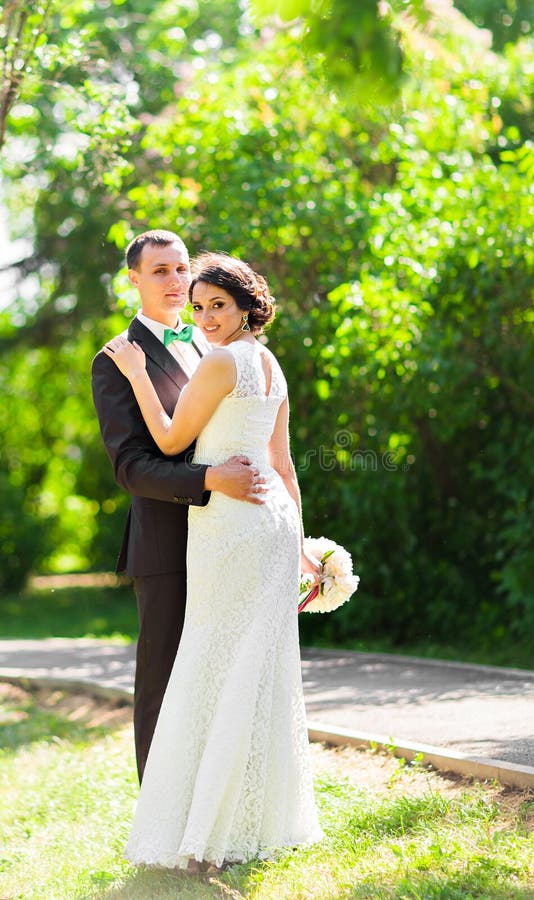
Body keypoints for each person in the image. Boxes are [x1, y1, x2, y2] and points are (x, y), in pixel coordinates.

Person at [102, 251, 323, 870]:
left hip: (230, 527)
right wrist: (301, 541)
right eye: (198, 307)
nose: (204, 317)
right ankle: (252, 816)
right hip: (272, 523)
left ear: (247, 304)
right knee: (257, 667)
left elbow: (171, 442)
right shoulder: (271, 362)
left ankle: (202, 831)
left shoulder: (221, 358)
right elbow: (283, 463)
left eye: (216, 305)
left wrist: (140, 375)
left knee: (212, 665)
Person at [91, 231, 265, 783]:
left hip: (226, 534)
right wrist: (209, 478)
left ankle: (213, 802)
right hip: (166, 544)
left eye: (181, 269)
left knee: (217, 674)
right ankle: (159, 820)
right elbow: (131, 468)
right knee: (162, 684)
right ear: (134, 279)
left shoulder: (208, 344)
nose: (174, 281)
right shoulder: (116, 359)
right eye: (160, 270)